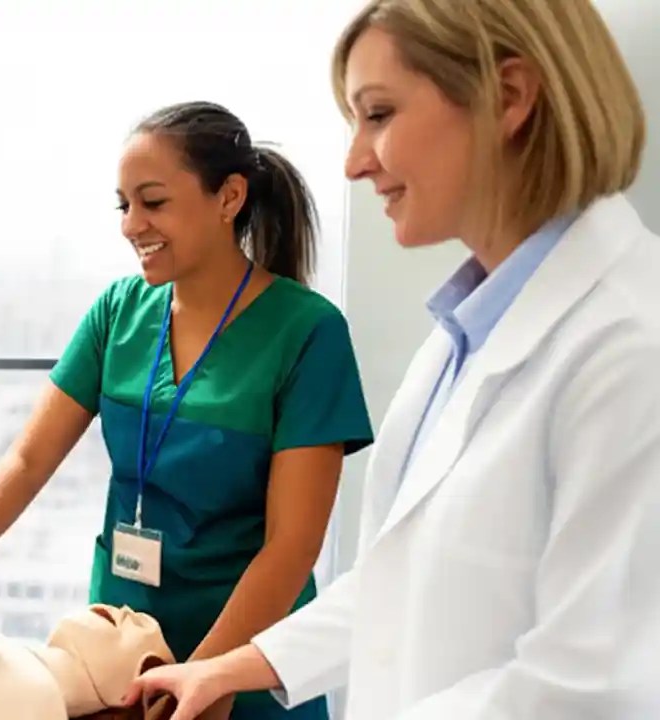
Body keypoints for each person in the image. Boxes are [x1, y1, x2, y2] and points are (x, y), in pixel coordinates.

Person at [122, 1, 659, 719]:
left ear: (510, 98)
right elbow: (394, 583)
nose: (353, 161)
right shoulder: (462, 336)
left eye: (378, 115)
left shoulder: (630, 345)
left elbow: (591, 689)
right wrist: (229, 669)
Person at [0, 100, 375, 720]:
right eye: (124, 205)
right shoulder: (119, 311)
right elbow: (29, 457)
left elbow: (291, 546)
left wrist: (210, 674)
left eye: (153, 202)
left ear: (229, 197)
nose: (130, 224)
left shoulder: (307, 333)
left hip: (242, 647)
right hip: (119, 652)